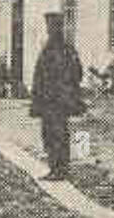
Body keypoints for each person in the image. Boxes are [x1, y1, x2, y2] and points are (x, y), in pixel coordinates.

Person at [29, 12, 84, 181]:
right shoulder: (50, 46)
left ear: (59, 28)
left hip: (57, 100)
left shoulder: (64, 49)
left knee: (57, 134)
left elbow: (77, 73)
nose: (50, 29)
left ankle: (60, 169)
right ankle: (55, 167)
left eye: (53, 26)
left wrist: (65, 92)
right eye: (48, 26)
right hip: (48, 99)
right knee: (49, 134)